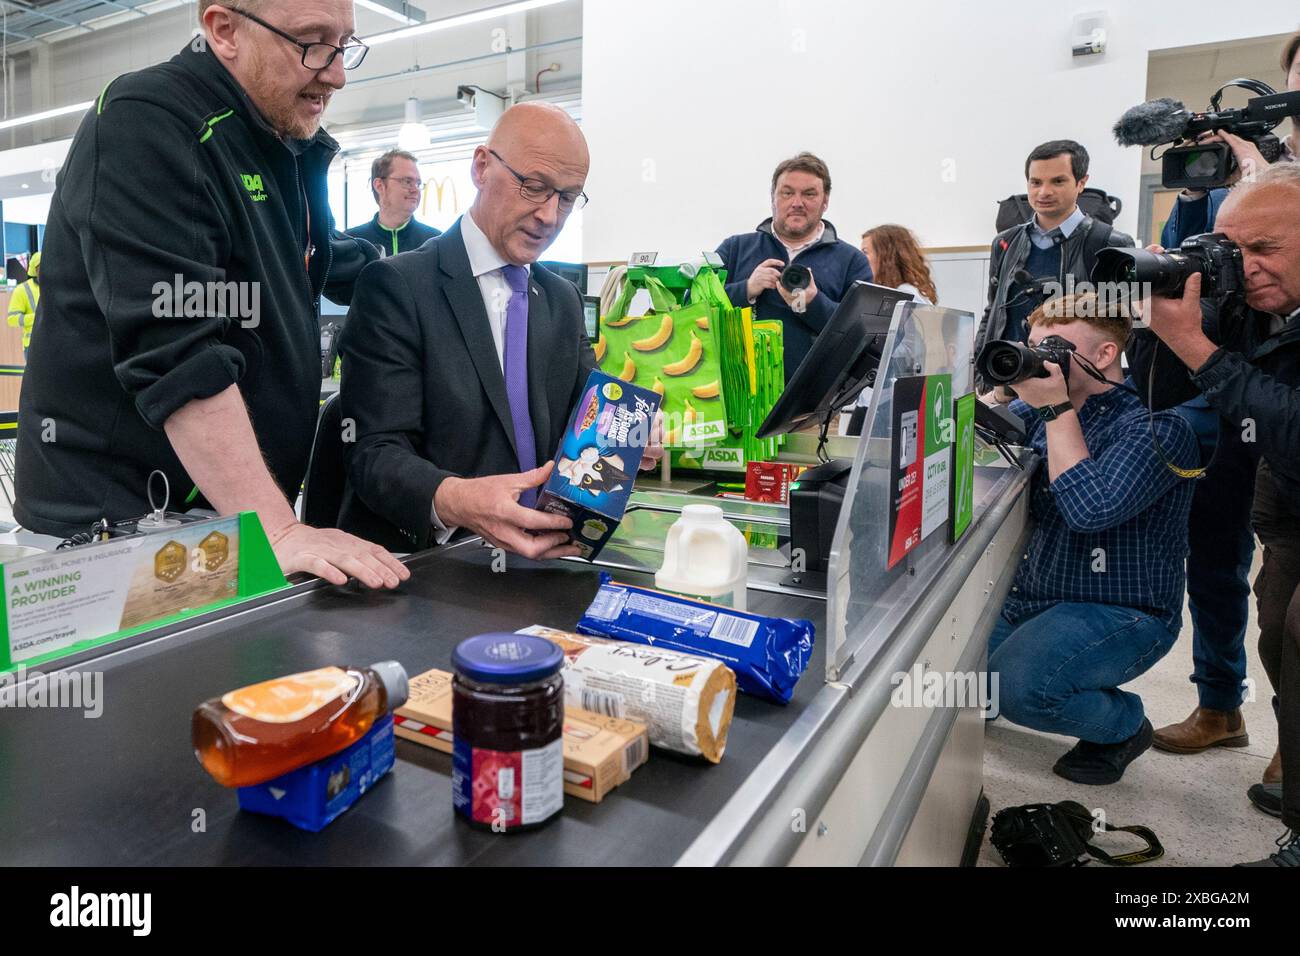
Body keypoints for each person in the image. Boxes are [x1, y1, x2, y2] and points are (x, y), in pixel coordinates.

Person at [13, 0, 408, 592]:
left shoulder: (275, 143)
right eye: (312, 43)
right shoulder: (146, 121)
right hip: (119, 531)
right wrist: (277, 531)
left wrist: (427, 271)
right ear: (224, 30)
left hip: (221, 517)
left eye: (345, 44)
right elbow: (178, 353)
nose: (336, 72)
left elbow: (308, 260)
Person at [338, 102, 663, 557]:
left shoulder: (562, 301)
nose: (549, 216)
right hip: (434, 566)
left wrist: (627, 435)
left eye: (567, 198)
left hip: (549, 560)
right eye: (534, 187)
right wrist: (459, 501)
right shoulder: (397, 286)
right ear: (481, 167)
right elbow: (372, 454)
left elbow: (583, 422)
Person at [1128, 163, 1300, 866]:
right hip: (1284, 493)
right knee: (1276, 628)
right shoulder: (1255, 304)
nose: (1245, 267)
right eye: (1232, 249)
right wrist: (1169, 325)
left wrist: (1195, 344)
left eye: (1265, 249)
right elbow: (1173, 393)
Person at [1150, 31, 1300, 789]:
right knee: (1216, 554)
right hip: (1232, 386)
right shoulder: (1254, 180)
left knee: (1289, 595)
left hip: (1277, 400)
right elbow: (1191, 265)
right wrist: (1206, 189)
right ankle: (1219, 703)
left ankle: (1293, 737)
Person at [985, 292, 1199, 786]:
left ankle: (1125, 725)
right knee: (954, 674)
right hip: (1033, 596)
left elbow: (1090, 511)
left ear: (1105, 355)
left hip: (1122, 609)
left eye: (1054, 348)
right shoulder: (1036, 414)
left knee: (1018, 688)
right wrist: (1002, 393)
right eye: (1033, 348)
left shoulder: (1156, 429)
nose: (1041, 361)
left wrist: (1057, 411)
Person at [975, 140, 1134, 390]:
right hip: (1007, 387)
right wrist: (981, 378)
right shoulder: (1005, 242)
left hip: (1075, 394)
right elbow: (992, 312)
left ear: (1081, 182)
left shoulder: (1112, 244)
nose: (1043, 192)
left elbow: (1128, 324)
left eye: (1058, 181)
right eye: (1035, 182)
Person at [714, 152, 873, 382]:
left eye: (809, 194)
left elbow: (863, 335)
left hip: (812, 409)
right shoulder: (734, 249)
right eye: (787, 193)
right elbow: (694, 309)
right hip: (738, 402)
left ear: (825, 200)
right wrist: (746, 289)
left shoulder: (851, 261)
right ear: (773, 197)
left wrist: (813, 303)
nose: (797, 203)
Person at [846, 225, 937, 435]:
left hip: (886, 405)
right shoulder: (905, 293)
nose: (860, 260)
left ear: (887, 255)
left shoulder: (904, 295)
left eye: (866, 252)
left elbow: (910, 353)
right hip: (882, 402)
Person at [344, 149, 441, 258]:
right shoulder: (351, 241)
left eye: (418, 184)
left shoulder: (436, 241)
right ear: (379, 186)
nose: (415, 190)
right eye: (407, 181)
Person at [6, 251, 40, 357]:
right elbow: (12, 319)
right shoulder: (22, 290)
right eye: (41, 267)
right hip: (33, 345)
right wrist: (37, 317)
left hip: (57, 343)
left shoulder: (56, 287)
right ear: (35, 269)